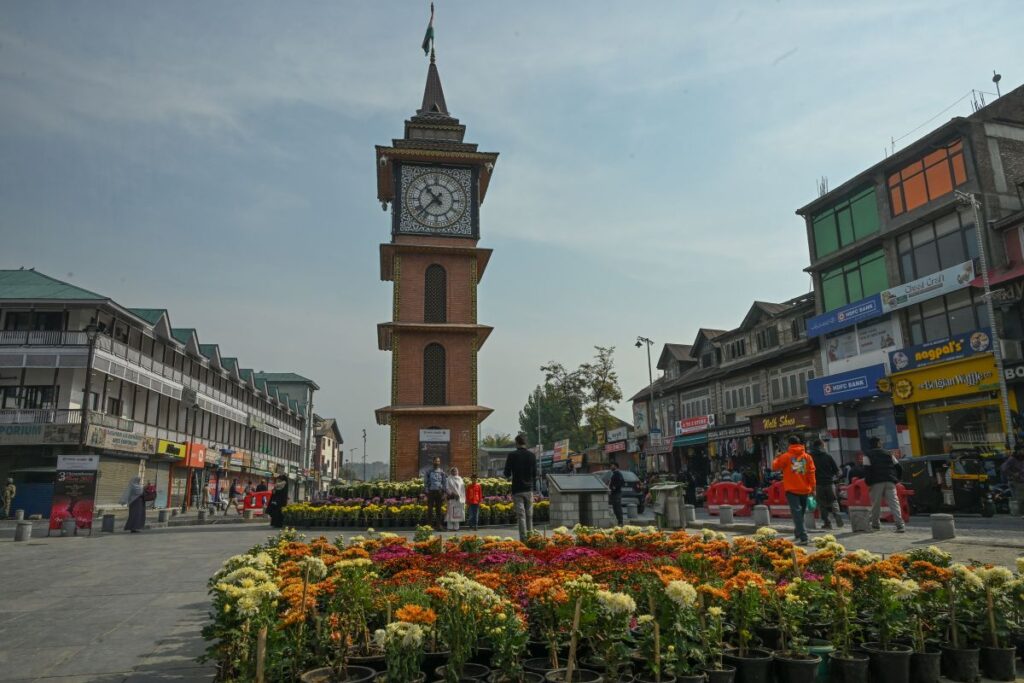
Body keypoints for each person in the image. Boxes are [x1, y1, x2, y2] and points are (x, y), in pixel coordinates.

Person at [772, 435, 816, 545]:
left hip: (791, 489)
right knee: (800, 513)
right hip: (805, 489)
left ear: (789, 445)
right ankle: (798, 533)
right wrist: (813, 487)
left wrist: (777, 457)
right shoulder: (807, 457)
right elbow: (811, 473)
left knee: (796, 513)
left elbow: (775, 467)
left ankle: (803, 536)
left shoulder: (785, 456)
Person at [864, 437, 905, 533]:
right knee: (894, 504)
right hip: (890, 481)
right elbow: (899, 467)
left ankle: (875, 525)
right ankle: (900, 525)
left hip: (876, 482)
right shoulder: (888, 453)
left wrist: (868, 483)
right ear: (878, 443)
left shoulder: (867, 455)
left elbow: (867, 470)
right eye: (880, 441)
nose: (882, 443)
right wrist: (897, 479)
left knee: (876, 505)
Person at [504, 434, 537, 541]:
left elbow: (507, 473)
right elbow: (535, 474)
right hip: (529, 489)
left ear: (516, 443)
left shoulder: (512, 455)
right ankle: (531, 538)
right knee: (529, 515)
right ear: (525, 443)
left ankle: (523, 539)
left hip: (517, 489)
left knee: (521, 516)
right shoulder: (532, 456)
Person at [808, 439, 843, 529]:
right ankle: (837, 514)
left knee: (822, 504)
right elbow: (837, 471)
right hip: (829, 482)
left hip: (818, 484)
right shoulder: (828, 456)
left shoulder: (810, 457)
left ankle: (827, 523)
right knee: (833, 501)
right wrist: (837, 479)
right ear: (821, 445)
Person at [423, 457, 447, 530]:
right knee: (430, 510)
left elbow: (444, 483)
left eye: (438, 461)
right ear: (433, 462)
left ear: (439, 462)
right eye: (436, 461)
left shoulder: (442, 472)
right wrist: (427, 493)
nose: (437, 462)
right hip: (431, 492)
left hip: (439, 492)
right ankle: (429, 526)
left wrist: (444, 493)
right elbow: (426, 482)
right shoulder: (429, 472)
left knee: (439, 510)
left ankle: (439, 525)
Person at [1001, 447, 1024, 517]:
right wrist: (1013, 474)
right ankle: (1021, 513)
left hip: (1021, 481)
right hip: (1017, 482)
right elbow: (1003, 468)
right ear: (1019, 450)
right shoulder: (1012, 459)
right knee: (1020, 498)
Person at [445, 467, 466, 531]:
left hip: (458, 499)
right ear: (451, 472)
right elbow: (447, 488)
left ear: (457, 471)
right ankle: (450, 527)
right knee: (450, 512)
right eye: (453, 471)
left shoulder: (460, 479)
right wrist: (453, 494)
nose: (454, 472)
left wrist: (462, 497)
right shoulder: (448, 479)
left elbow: (462, 489)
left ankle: (456, 527)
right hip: (452, 498)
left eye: (455, 471)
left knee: (457, 512)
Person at [608, 461, 625, 526]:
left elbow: (622, 482)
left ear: (615, 466)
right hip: (614, 493)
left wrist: (614, 487)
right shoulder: (614, 473)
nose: (610, 467)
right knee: (615, 508)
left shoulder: (618, 473)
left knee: (617, 508)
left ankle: (620, 522)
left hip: (616, 494)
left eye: (612, 465)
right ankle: (619, 522)